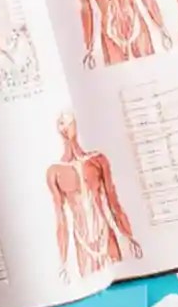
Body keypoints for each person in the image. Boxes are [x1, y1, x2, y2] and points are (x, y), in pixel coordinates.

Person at [46, 111, 142, 282]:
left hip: (105, 234)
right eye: (60, 123)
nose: (64, 127)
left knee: (120, 278)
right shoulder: (55, 171)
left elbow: (114, 203)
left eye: (68, 122)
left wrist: (129, 236)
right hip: (82, 242)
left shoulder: (97, 160)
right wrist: (63, 262)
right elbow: (61, 220)